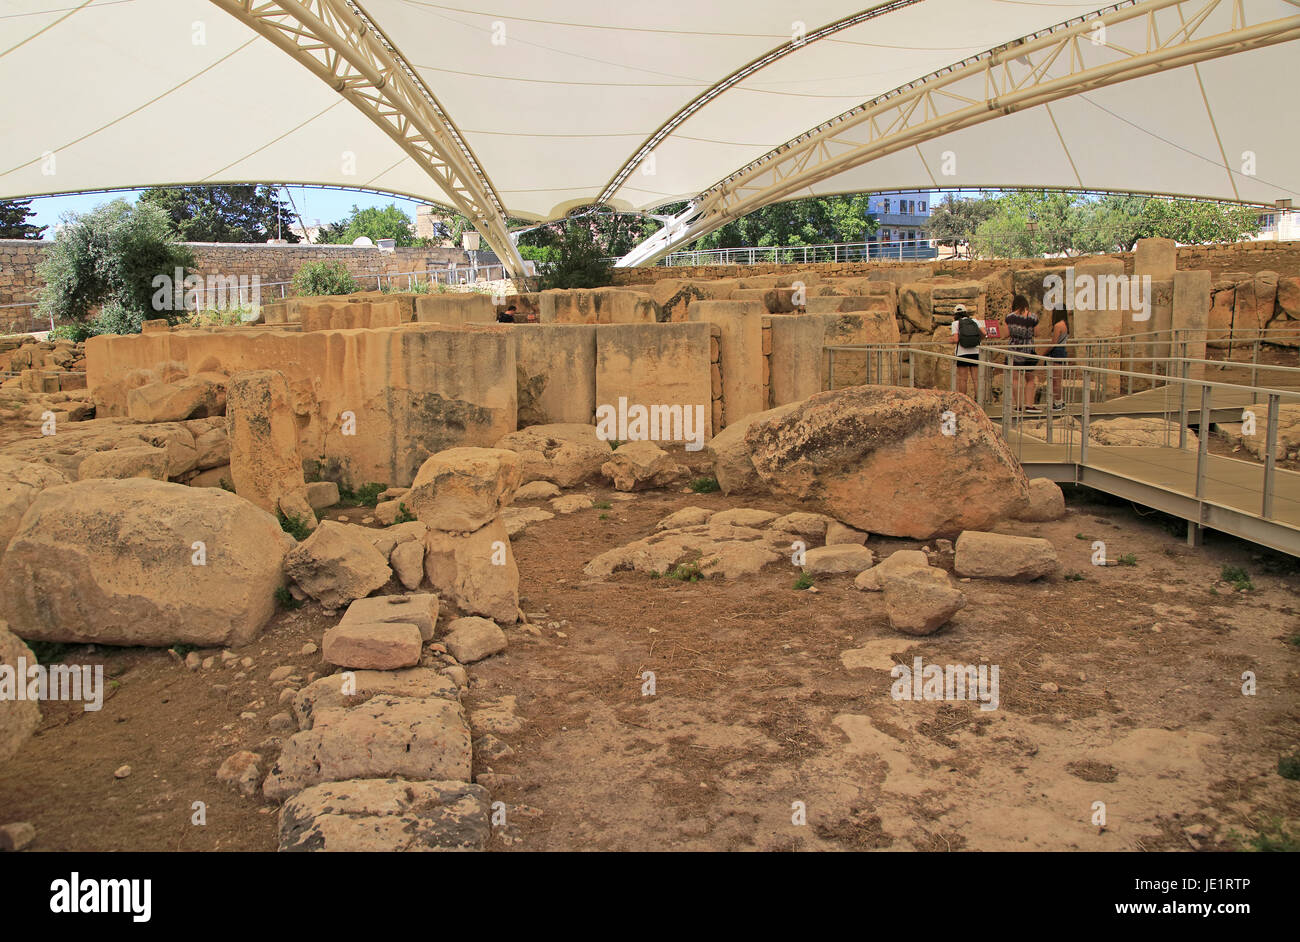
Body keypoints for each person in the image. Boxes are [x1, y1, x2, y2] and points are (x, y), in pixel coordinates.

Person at [1005, 294, 1040, 414]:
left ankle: (1018, 406)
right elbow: (1037, 333)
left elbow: (1005, 333)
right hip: (1029, 350)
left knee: (1015, 379)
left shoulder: (1009, 317)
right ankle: (1029, 405)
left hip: (1013, 350)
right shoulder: (1033, 317)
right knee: (1030, 379)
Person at [948, 303, 986, 397]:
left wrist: (950, 340)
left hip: (962, 353)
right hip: (975, 351)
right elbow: (984, 333)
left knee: (963, 379)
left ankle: (963, 400)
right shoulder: (974, 321)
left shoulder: (955, 323)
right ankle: (978, 400)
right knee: (976, 379)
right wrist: (977, 340)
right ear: (966, 312)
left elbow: (956, 339)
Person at [1042, 306, 1070, 412]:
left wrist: (1044, 353)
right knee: (1056, 379)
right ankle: (1058, 401)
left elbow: (1054, 342)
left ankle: (1058, 402)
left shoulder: (1058, 325)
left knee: (1055, 379)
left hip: (1057, 352)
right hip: (1061, 351)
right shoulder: (1066, 324)